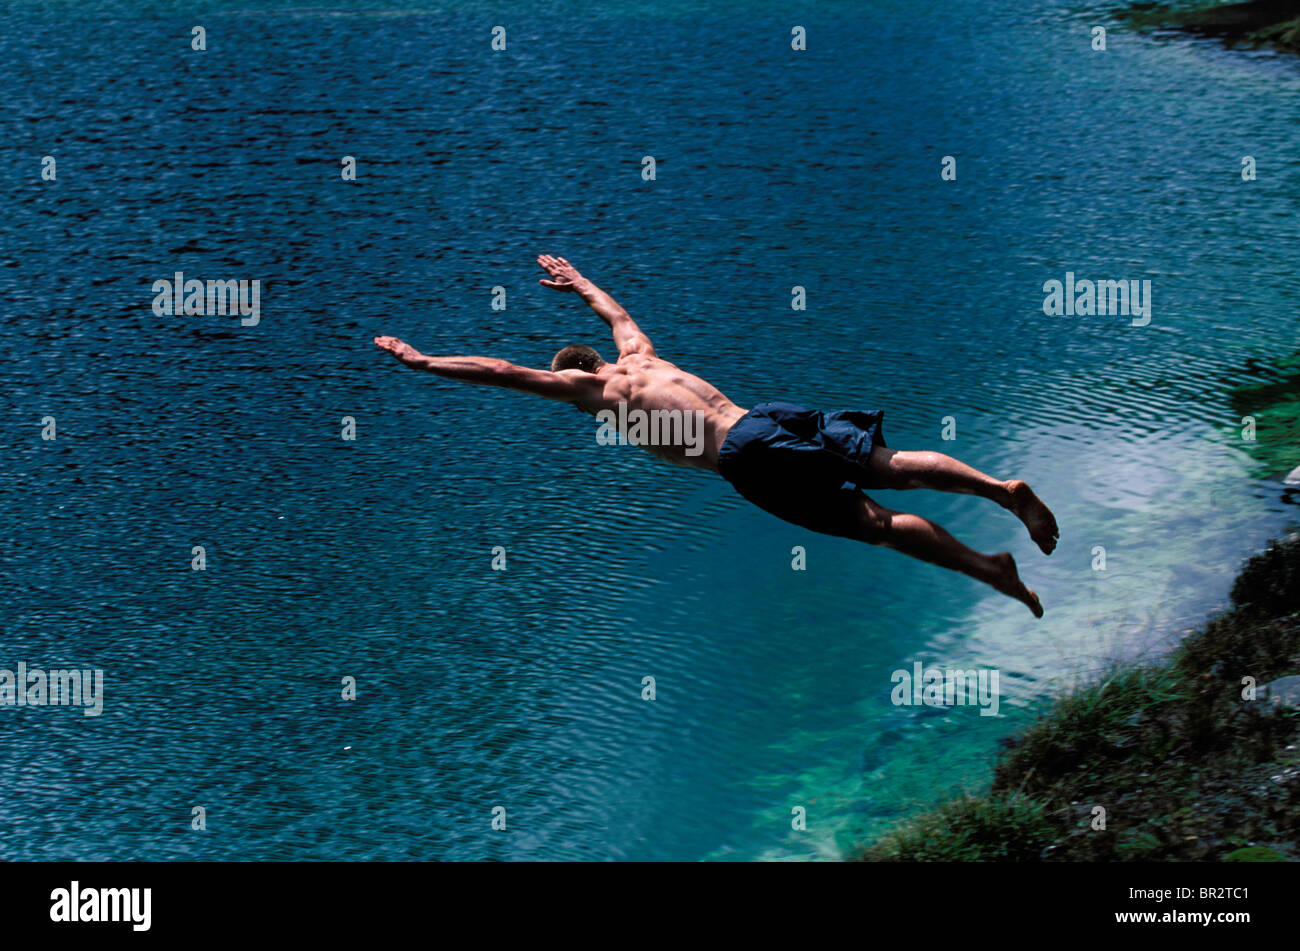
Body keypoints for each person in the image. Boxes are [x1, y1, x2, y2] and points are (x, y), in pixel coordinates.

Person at [374, 255, 1058, 616]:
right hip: (763, 416)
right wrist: (578, 280)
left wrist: (425, 361)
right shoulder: (641, 352)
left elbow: (502, 371)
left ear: (578, 378)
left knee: (873, 521)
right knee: (893, 463)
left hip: (745, 458)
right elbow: (614, 310)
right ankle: (1001, 490)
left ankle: (986, 566)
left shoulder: (598, 389)